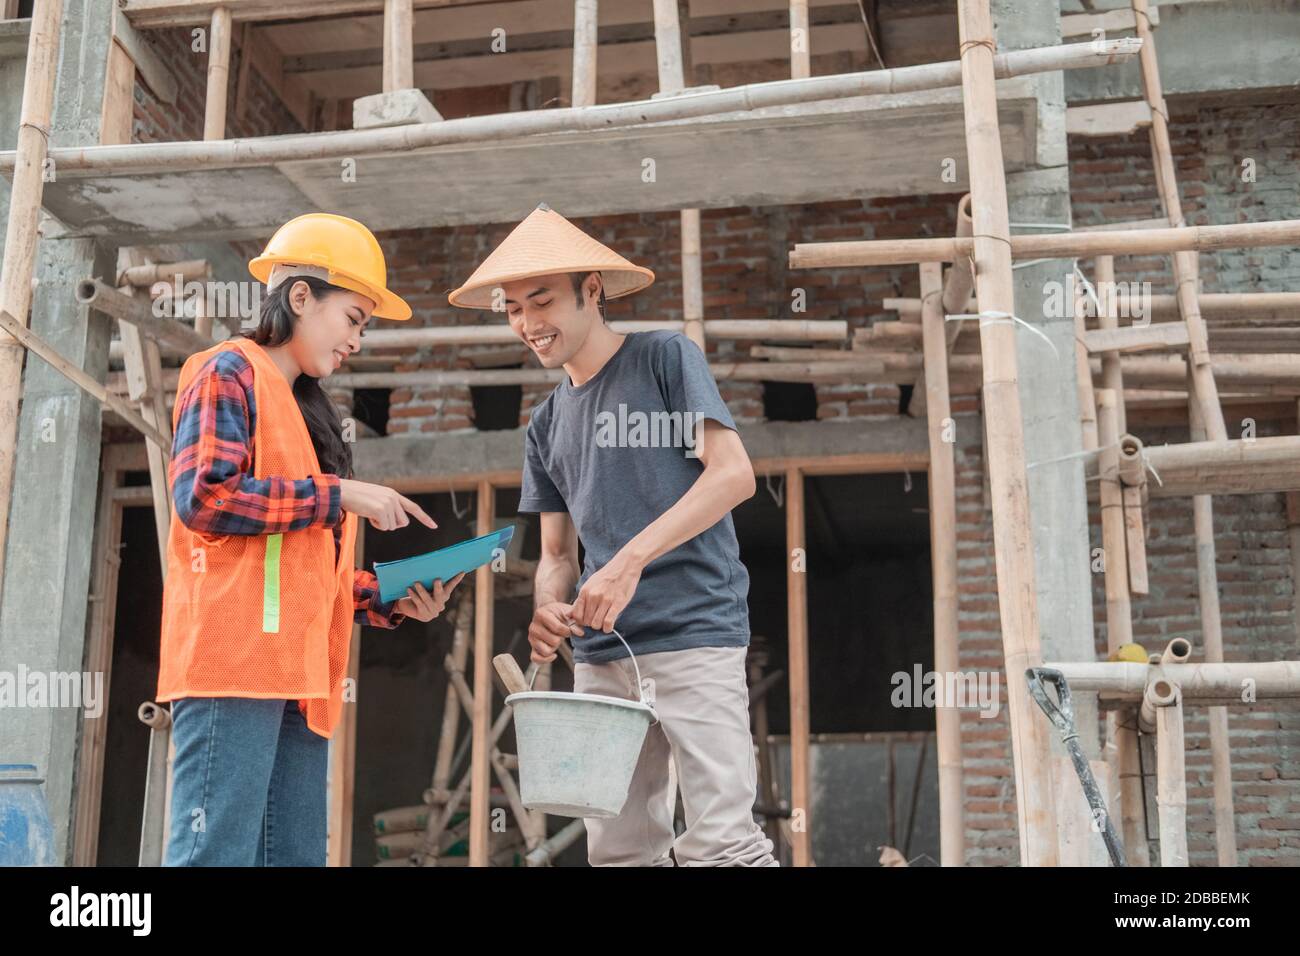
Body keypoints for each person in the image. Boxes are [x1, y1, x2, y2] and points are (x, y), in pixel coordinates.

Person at [448, 203, 776, 866]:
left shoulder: (663, 359)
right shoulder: (543, 425)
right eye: (512, 308)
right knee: (619, 852)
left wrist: (628, 561)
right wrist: (547, 606)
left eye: (541, 301)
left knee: (723, 843)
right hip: (602, 659)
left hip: (694, 633)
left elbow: (733, 475)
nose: (527, 323)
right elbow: (558, 555)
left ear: (592, 291)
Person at [158, 213, 464, 866]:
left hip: (299, 682)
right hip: (233, 670)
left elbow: (296, 567)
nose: (357, 339)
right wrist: (341, 496)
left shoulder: (303, 411)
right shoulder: (226, 373)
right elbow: (205, 498)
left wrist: (384, 596)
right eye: (353, 317)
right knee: (215, 856)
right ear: (301, 296)